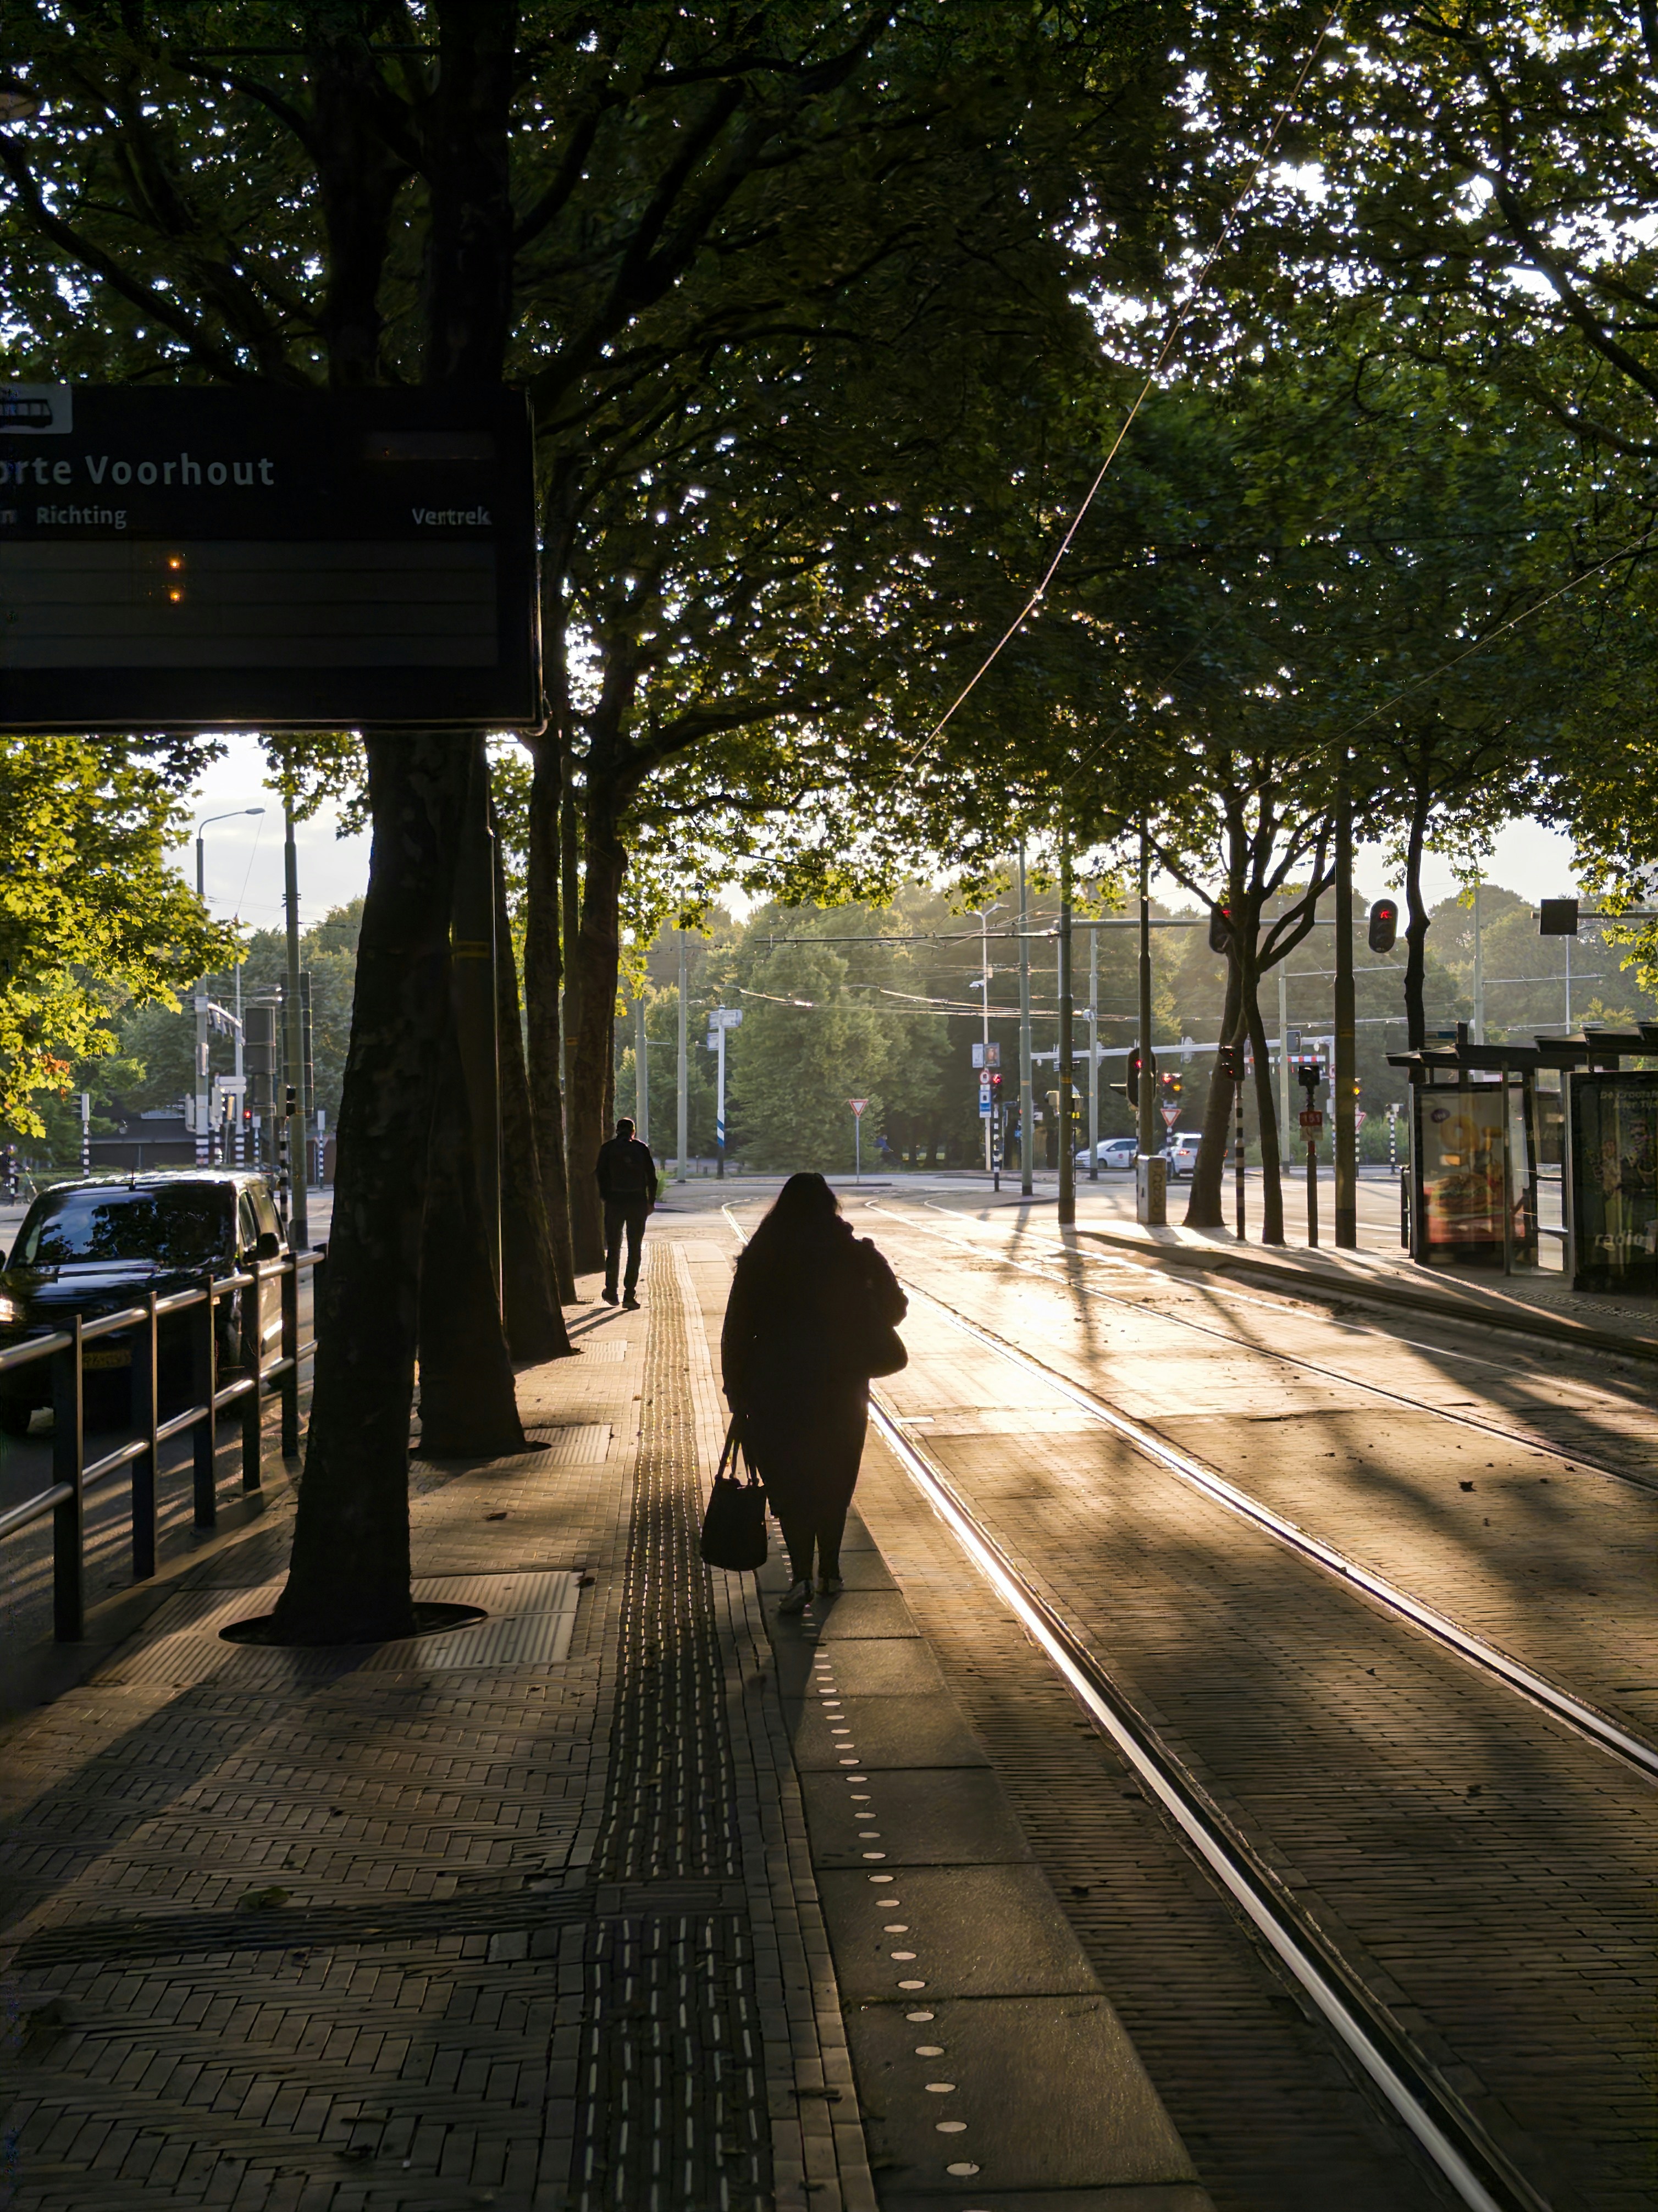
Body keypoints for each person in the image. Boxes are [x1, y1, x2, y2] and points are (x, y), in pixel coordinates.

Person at [720, 1172, 907, 1613]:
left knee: (791, 1480)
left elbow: (736, 1331)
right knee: (835, 1477)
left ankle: (801, 1576)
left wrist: (736, 1390)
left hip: (775, 1388)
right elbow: (896, 1311)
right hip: (841, 1385)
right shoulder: (855, 1253)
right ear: (831, 1208)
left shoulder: (762, 1257)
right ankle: (831, 1572)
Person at [595, 1116, 657, 1308]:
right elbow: (652, 1178)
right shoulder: (641, 1148)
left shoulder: (607, 1149)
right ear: (633, 1131)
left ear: (617, 1131)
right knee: (634, 1249)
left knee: (614, 1248)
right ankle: (629, 1295)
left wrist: (606, 1197)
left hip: (615, 1202)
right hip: (637, 1202)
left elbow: (600, 1175)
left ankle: (611, 1292)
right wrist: (650, 1202)